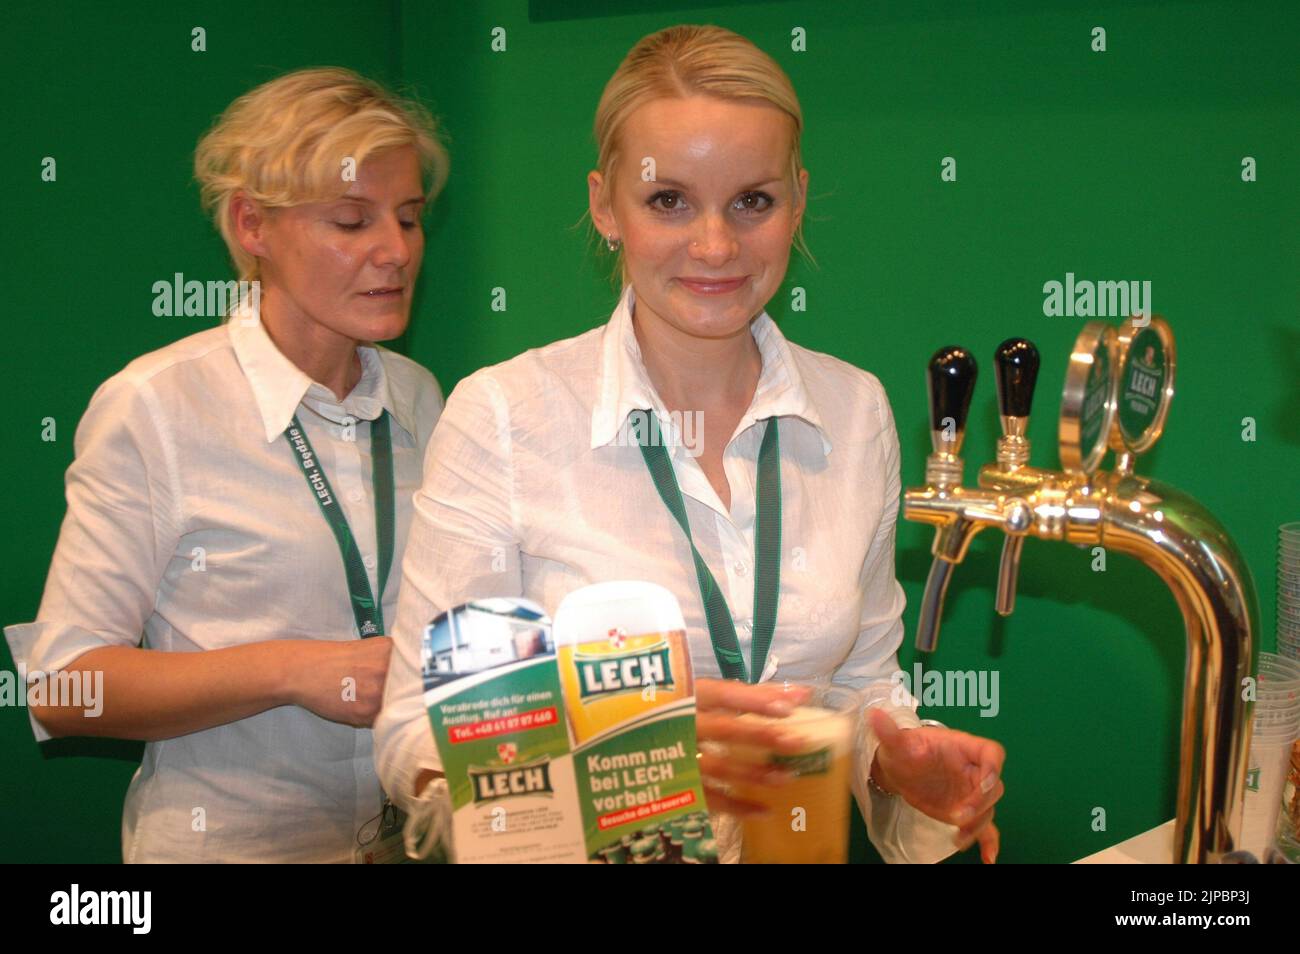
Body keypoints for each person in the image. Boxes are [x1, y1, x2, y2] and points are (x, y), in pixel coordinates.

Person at [373, 25, 1004, 863]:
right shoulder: (505, 417)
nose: (716, 245)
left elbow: (859, 683)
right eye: (668, 199)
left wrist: (898, 765)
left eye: (753, 201)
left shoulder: (855, 410)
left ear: (799, 199)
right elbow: (418, 741)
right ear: (606, 206)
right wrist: (635, 764)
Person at [3, 67, 449, 862]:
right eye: (352, 222)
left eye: (410, 218)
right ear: (253, 226)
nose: (396, 251)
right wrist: (291, 670)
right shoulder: (157, 406)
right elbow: (63, 685)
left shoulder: (420, 399)